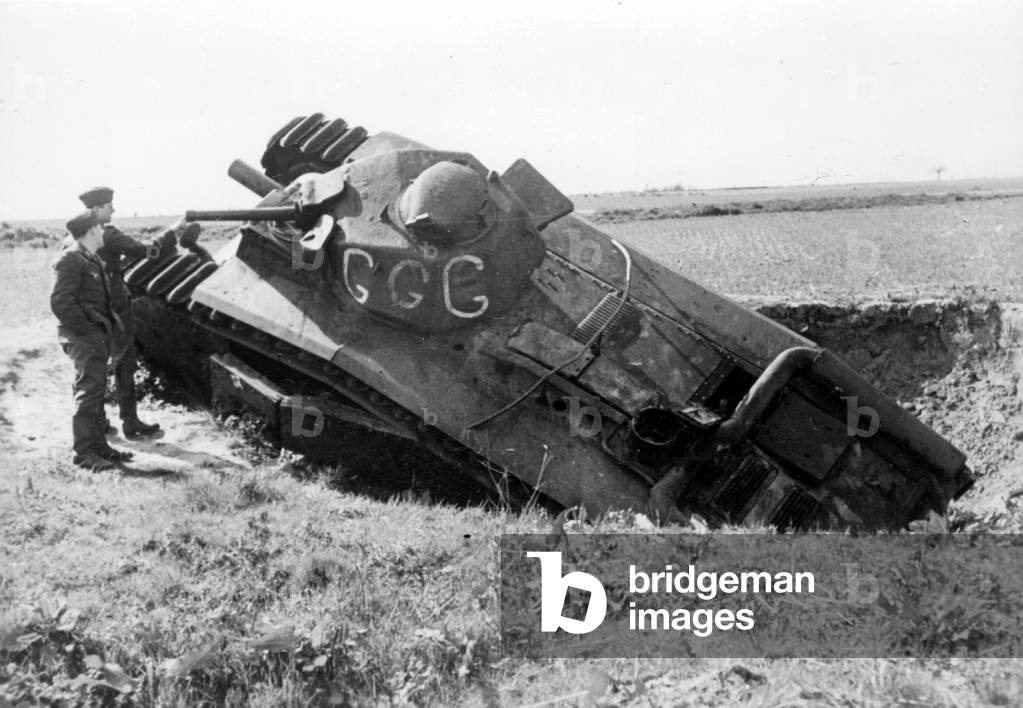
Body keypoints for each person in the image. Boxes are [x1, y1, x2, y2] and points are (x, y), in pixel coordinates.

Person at [78, 186, 176, 438]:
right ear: (97, 209)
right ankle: (130, 423)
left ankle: (97, 423)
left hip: (89, 304)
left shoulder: (75, 236)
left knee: (93, 363)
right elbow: (144, 251)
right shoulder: (108, 234)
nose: (114, 209)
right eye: (109, 206)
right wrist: (165, 243)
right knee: (124, 360)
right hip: (115, 303)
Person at [51, 212, 135, 470]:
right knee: (88, 393)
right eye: (99, 229)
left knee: (96, 391)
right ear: (90, 231)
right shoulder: (70, 258)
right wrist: (87, 331)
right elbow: (60, 301)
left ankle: (99, 447)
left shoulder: (89, 257)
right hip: (84, 337)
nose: (103, 233)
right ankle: (84, 453)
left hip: (96, 336)